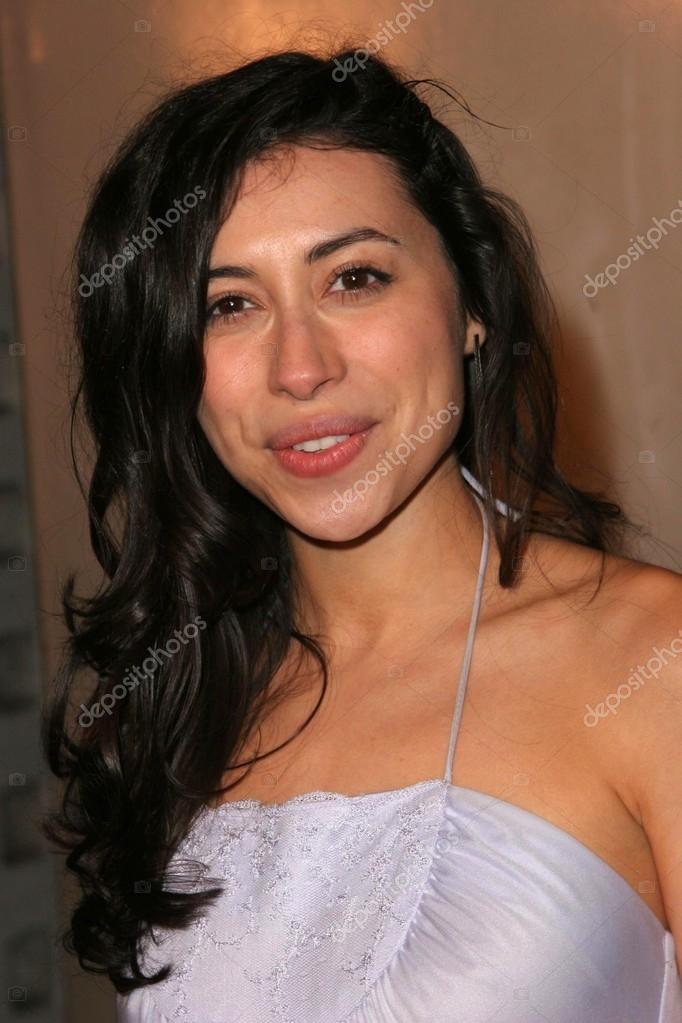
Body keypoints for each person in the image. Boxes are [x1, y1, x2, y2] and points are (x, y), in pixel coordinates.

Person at [42, 45, 682, 1023]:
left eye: (354, 278)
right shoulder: (182, 704)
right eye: (230, 305)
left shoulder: (652, 663)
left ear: (470, 305)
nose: (300, 368)